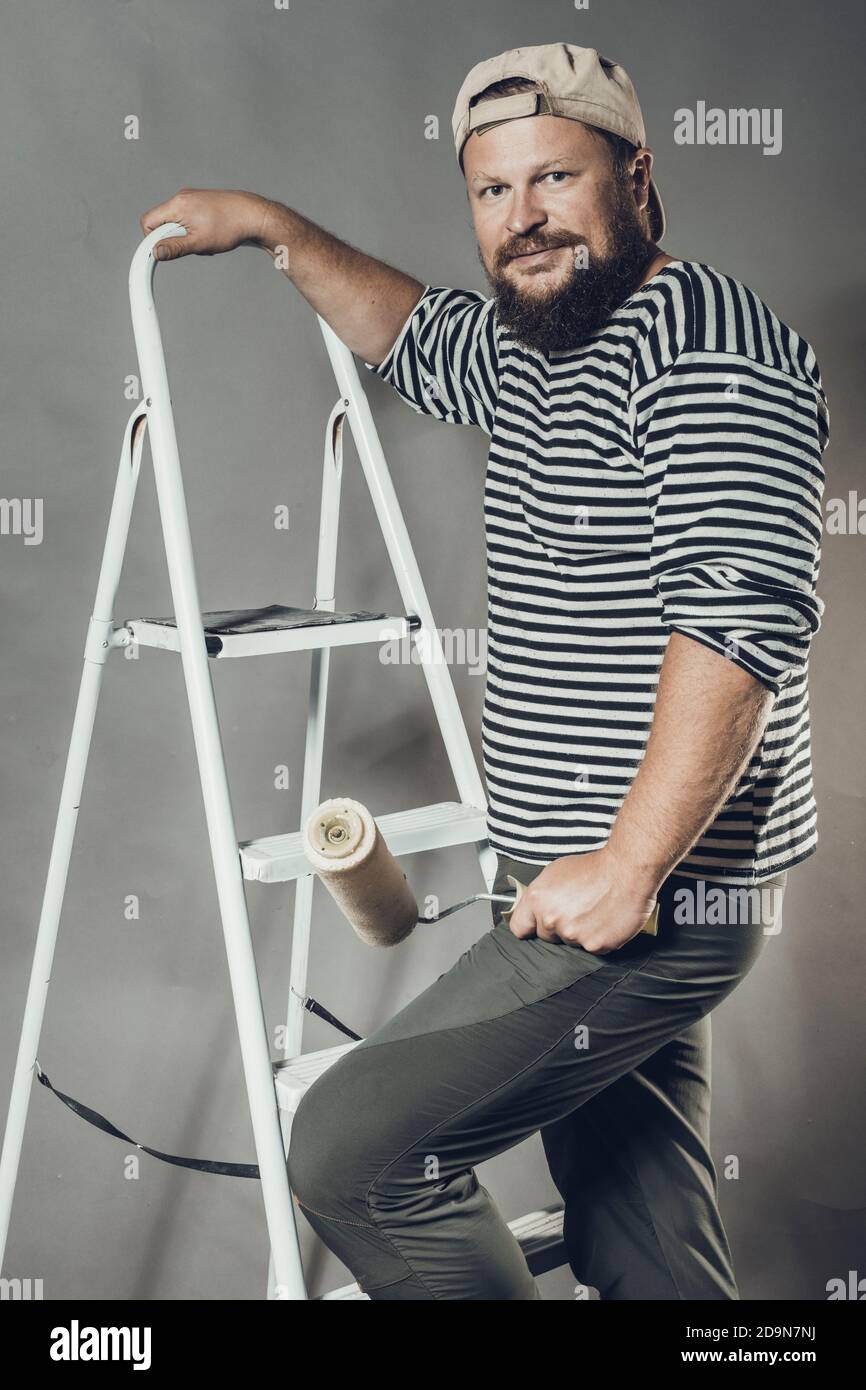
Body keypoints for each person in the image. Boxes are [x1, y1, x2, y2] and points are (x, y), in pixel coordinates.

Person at [141, 42, 830, 1300]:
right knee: (639, 1219)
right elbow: (408, 330)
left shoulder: (706, 345)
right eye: (491, 191)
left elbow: (738, 622)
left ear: (635, 176)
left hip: (648, 894)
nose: (523, 221)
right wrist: (267, 229)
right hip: (572, 880)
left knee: (349, 1153)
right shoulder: (536, 340)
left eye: (554, 177)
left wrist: (630, 866)